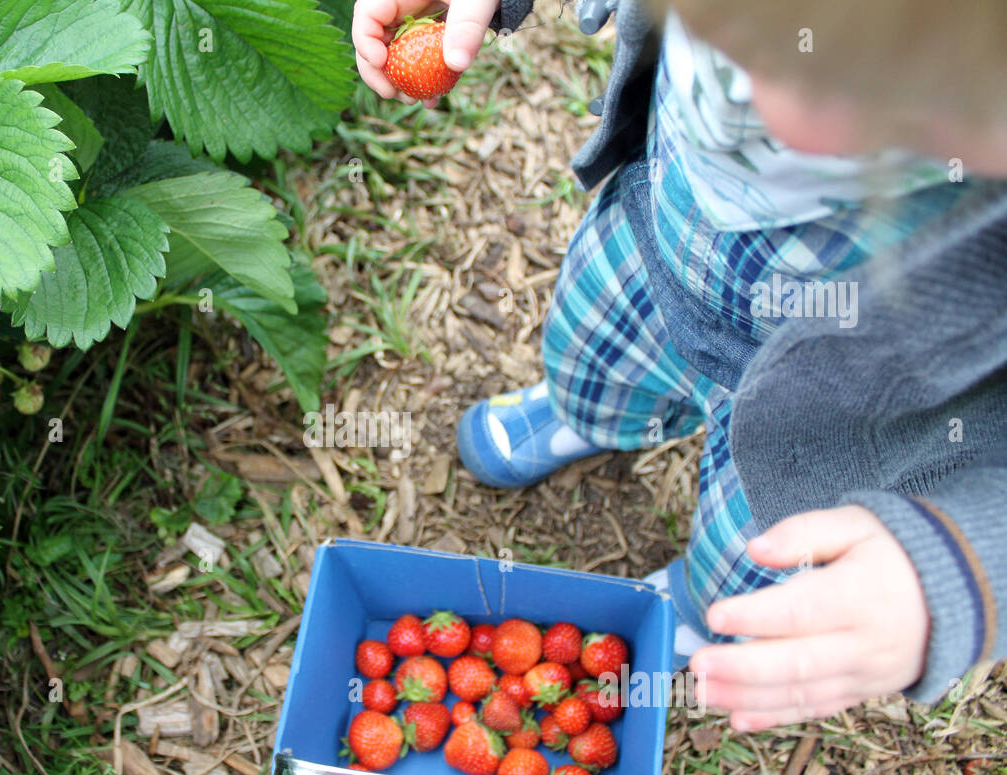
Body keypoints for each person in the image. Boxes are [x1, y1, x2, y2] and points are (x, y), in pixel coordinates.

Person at [352, 0, 1007, 731]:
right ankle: (582, 411)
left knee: (756, 547)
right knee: (591, 353)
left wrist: (965, 569)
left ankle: (701, 602)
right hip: (666, 242)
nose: (768, 93)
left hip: (839, 407)